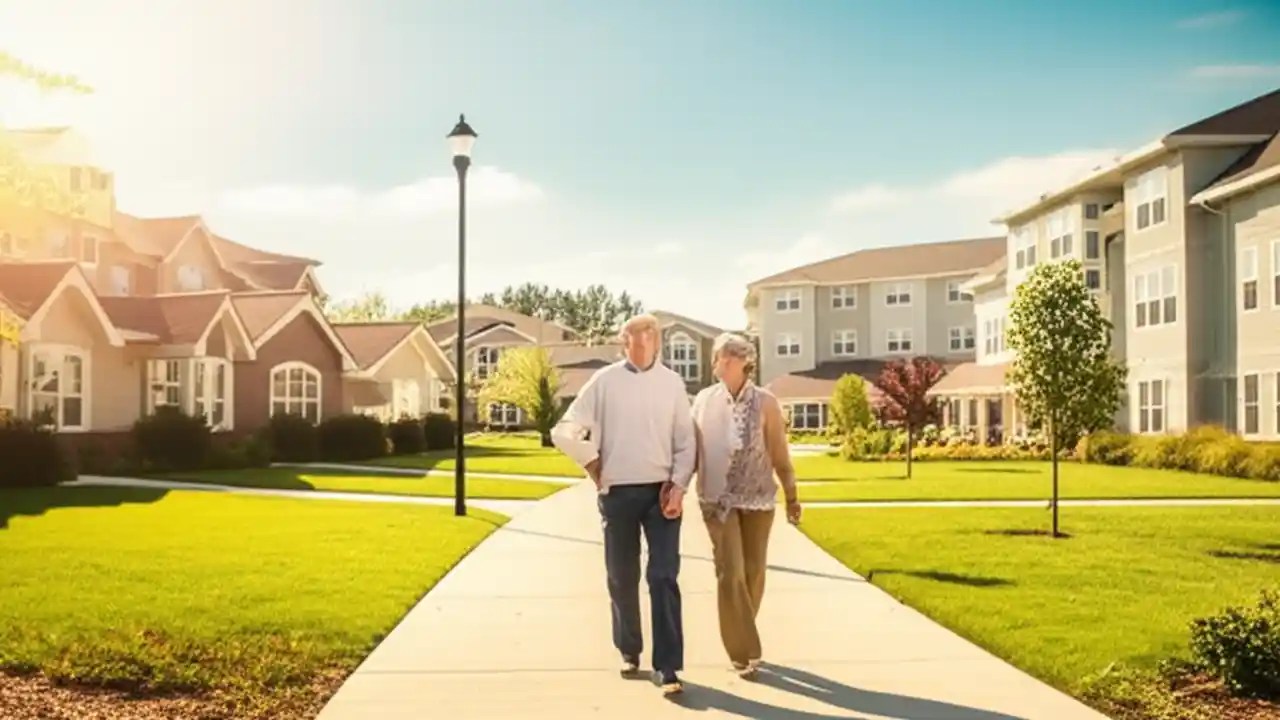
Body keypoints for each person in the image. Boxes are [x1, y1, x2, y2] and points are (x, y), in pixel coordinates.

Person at [551, 313, 696, 695]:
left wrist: (679, 486)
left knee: (663, 575)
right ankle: (629, 648)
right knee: (621, 575)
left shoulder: (672, 384)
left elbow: (686, 441)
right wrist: (592, 463)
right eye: (638, 337)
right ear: (624, 341)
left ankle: (667, 667)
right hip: (617, 495)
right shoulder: (605, 382)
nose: (646, 343)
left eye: (652, 337)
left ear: (658, 343)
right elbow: (564, 430)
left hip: (662, 493)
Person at [690, 332, 801, 679]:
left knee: (754, 572)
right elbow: (691, 448)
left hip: (758, 499)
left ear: (743, 362)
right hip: (717, 498)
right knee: (730, 571)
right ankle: (744, 650)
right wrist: (675, 485)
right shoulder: (704, 401)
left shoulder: (766, 402)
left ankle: (741, 629)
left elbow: (780, 454)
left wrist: (792, 496)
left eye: (725, 358)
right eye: (716, 358)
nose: (718, 364)